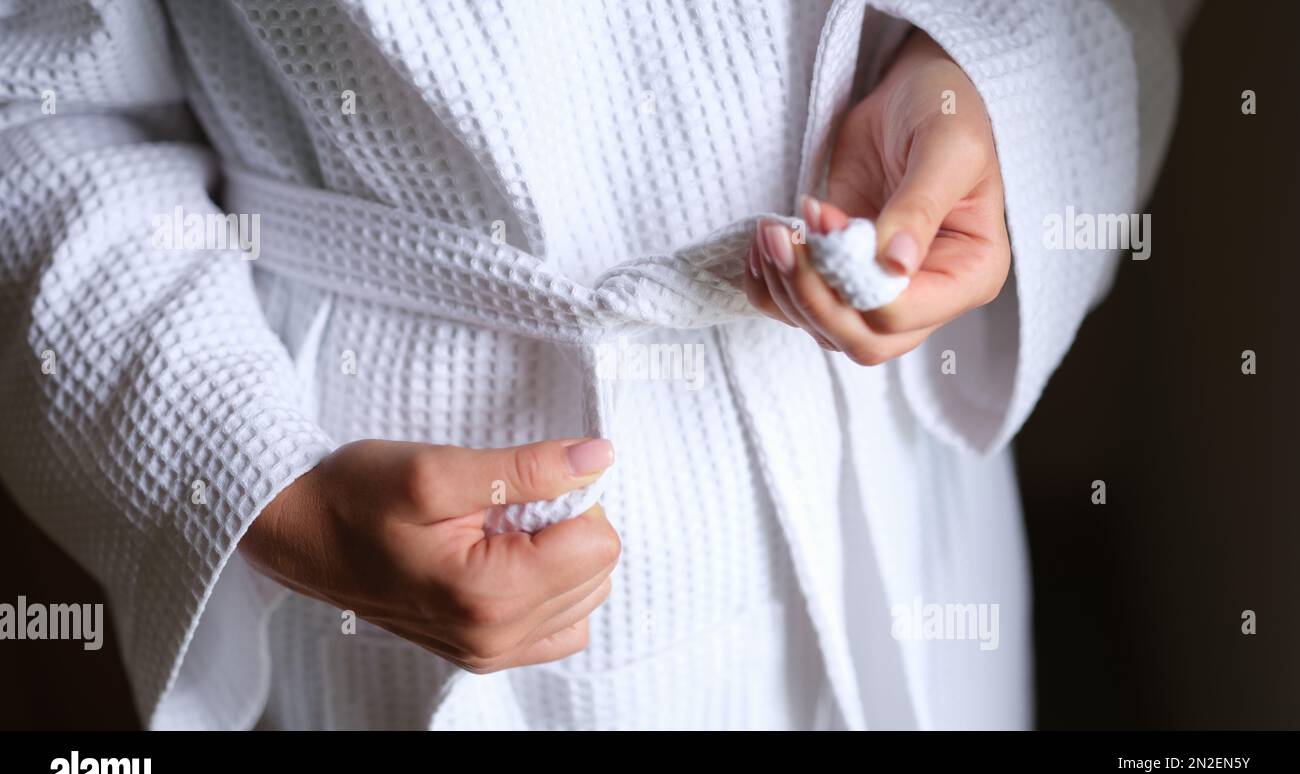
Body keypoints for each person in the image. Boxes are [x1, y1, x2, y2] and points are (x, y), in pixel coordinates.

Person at [0, 0, 1190, 729]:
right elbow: (34, 105)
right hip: (405, 498)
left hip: (866, 454)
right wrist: (248, 472)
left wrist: (984, 84)